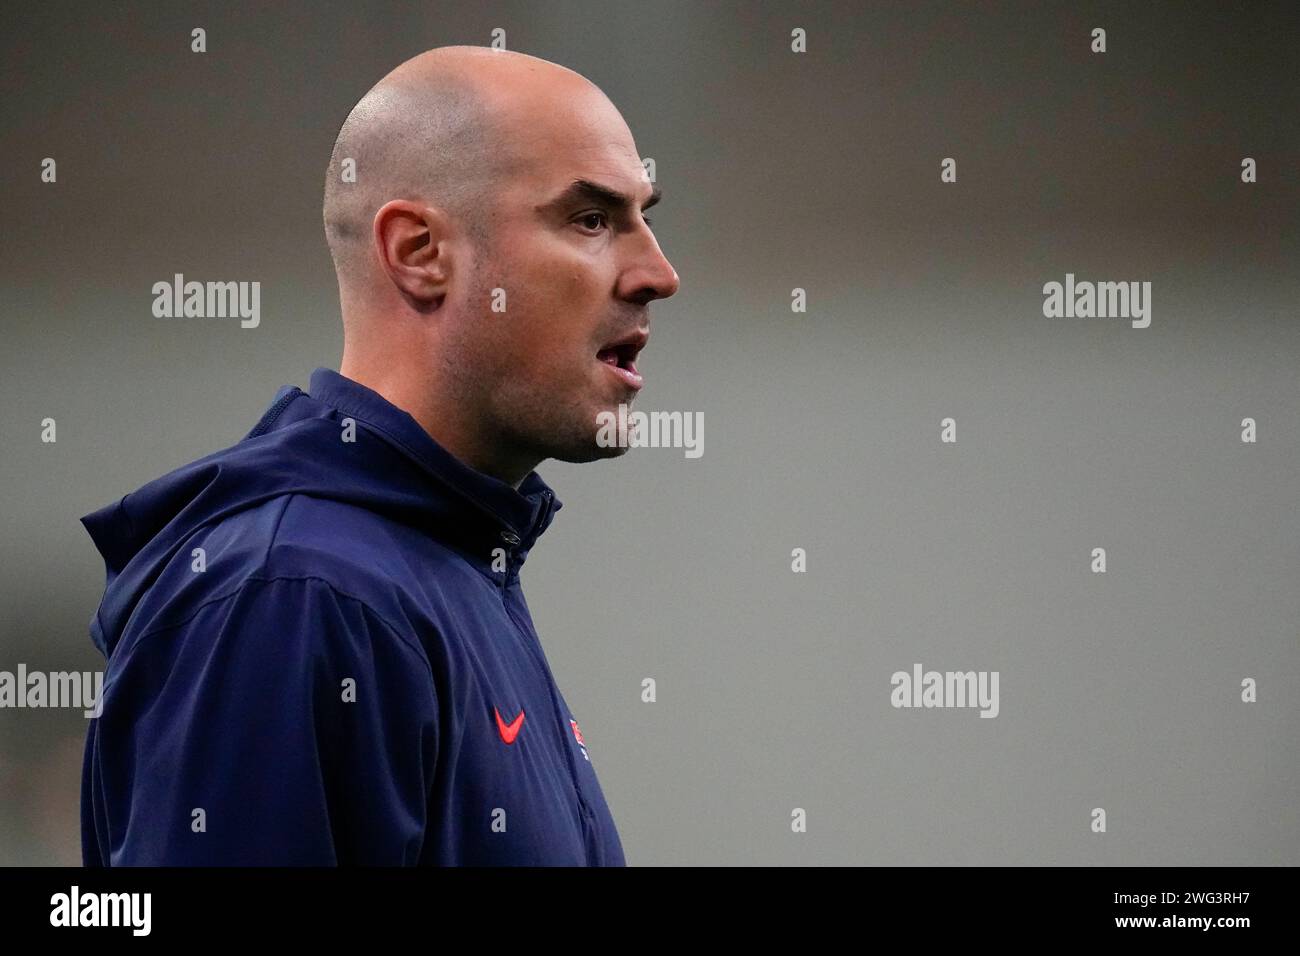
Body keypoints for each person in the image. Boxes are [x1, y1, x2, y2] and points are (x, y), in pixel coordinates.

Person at [78, 45, 679, 865]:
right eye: (590, 220)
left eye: (647, 218)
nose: (658, 272)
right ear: (420, 252)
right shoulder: (297, 596)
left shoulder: (444, 568)